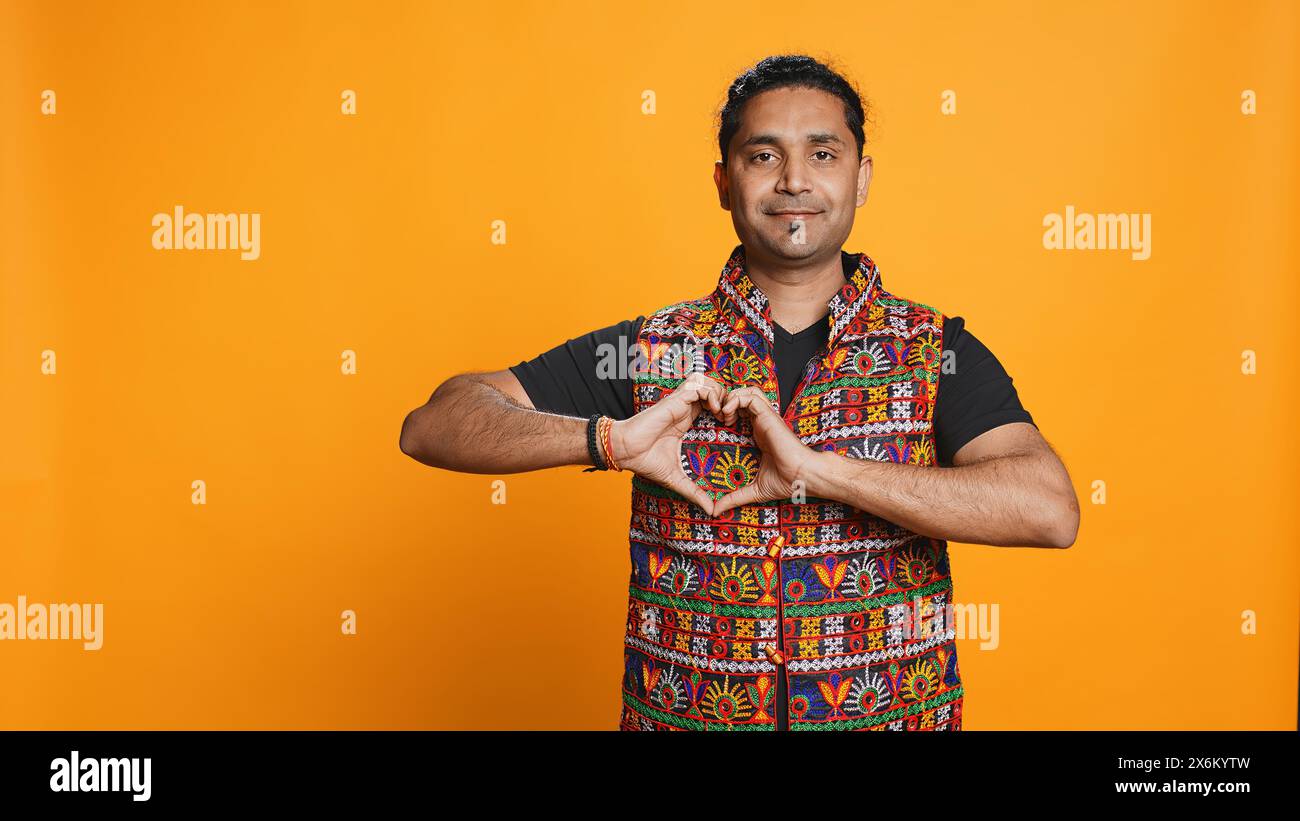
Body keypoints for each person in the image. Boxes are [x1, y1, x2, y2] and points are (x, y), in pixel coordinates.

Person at [400, 54, 1079, 731]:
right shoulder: (649, 349)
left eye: (822, 153)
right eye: (763, 156)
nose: (793, 180)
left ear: (861, 177)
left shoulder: (936, 351)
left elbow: (1049, 509)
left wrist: (821, 472)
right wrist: (608, 439)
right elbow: (434, 422)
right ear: (724, 183)